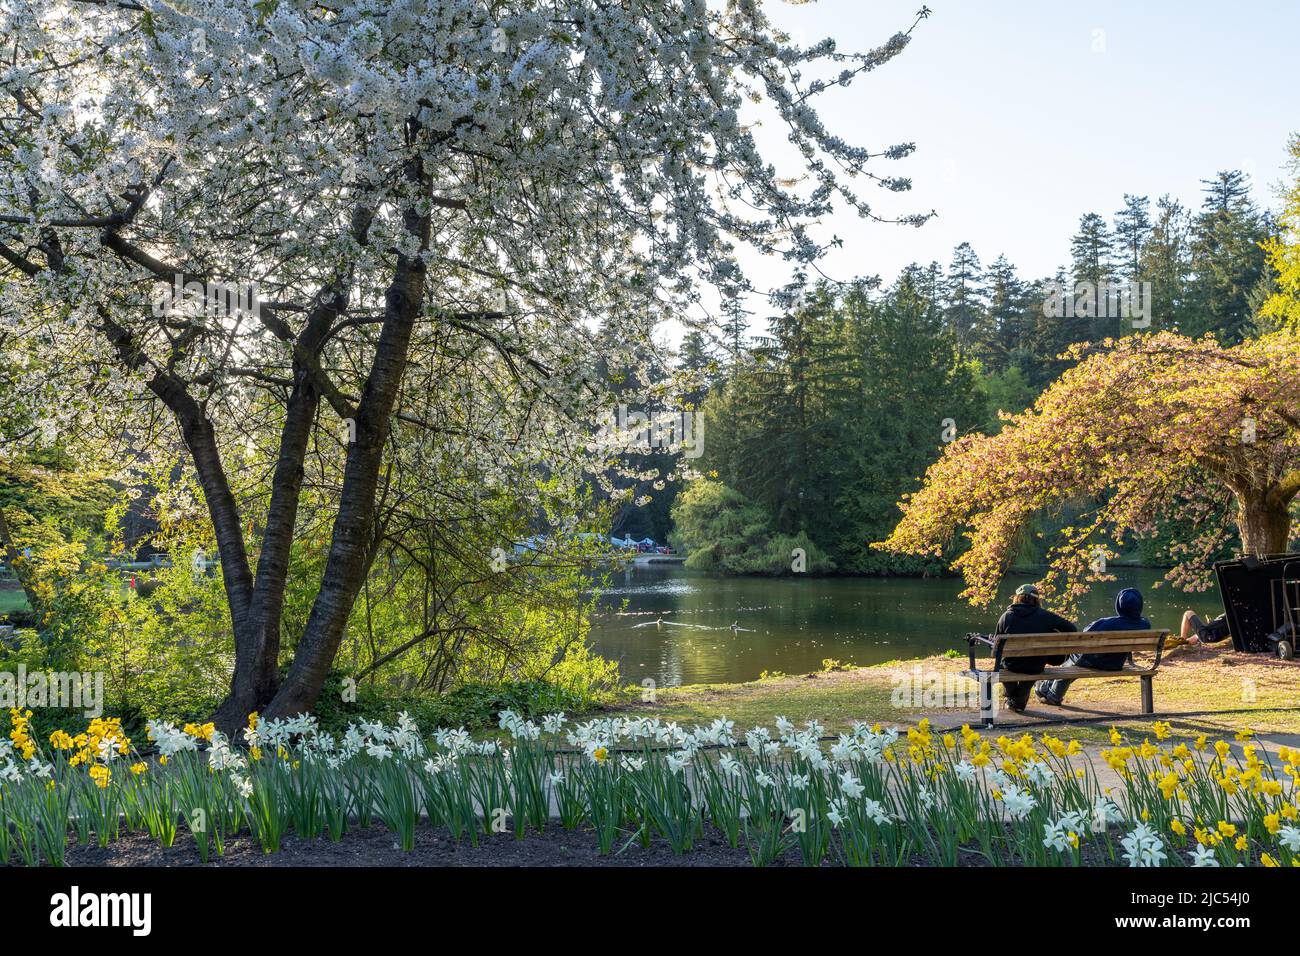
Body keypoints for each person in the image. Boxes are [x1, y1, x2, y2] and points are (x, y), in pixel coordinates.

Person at [1035, 587, 1149, 706]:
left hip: (1094, 661)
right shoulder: (1144, 624)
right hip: (1115, 664)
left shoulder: (1106, 623)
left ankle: (1051, 692)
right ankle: (1046, 688)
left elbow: (1084, 636)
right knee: (1076, 660)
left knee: (1074, 659)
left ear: (1119, 605)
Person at [994, 583, 1077, 712]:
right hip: (1035, 665)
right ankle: (1017, 701)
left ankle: (1011, 695)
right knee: (1032, 665)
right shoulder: (1046, 616)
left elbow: (996, 646)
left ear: (1017, 598)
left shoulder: (1006, 616)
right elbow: (1072, 629)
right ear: (1036, 599)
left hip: (1011, 665)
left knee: (1002, 665)